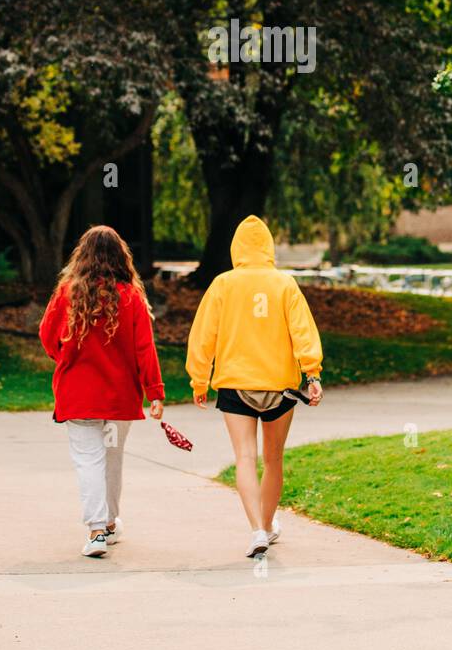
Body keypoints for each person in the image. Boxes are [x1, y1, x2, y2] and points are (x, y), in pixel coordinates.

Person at [186, 215, 323, 557]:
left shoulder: (222, 284)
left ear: (236, 248)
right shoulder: (285, 284)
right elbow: (302, 331)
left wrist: (199, 378)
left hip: (236, 384)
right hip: (280, 386)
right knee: (273, 460)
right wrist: (313, 373)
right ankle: (267, 523)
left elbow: (204, 335)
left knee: (245, 457)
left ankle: (257, 530)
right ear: (268, 246)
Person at [39, 225, 165, 557]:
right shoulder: (131, 295)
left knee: (88, 462)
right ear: (121, 257)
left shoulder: (68, 292)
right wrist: (154, 391)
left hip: (77, 393)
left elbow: (47, 335)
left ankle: (97, 531)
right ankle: (109, 523)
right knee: (112, 459)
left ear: (82, 256)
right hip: (118, 395)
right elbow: (144, 348)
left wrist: (64, 356)